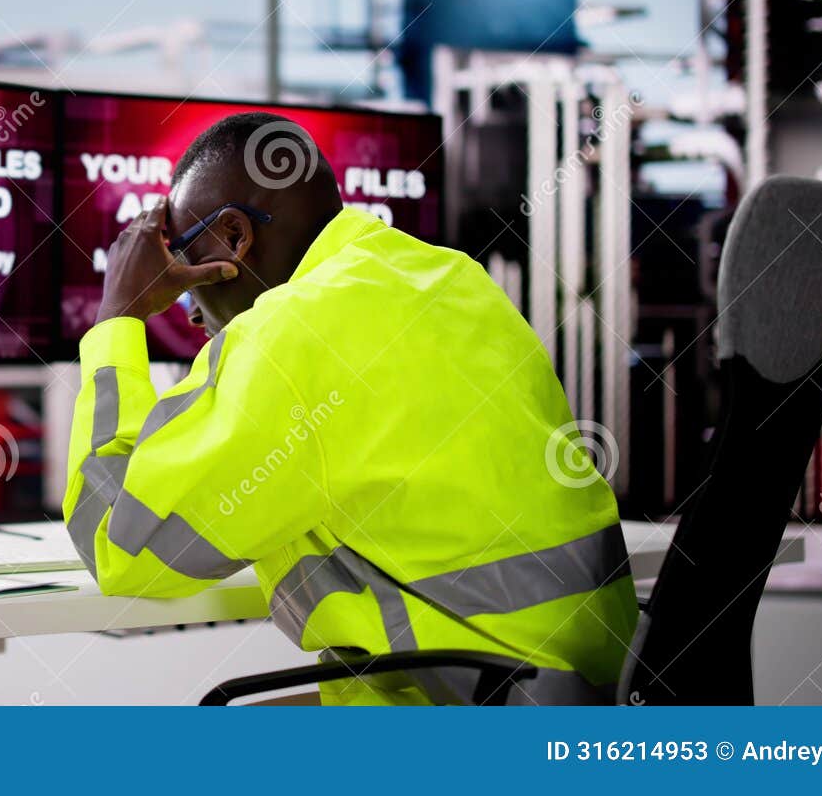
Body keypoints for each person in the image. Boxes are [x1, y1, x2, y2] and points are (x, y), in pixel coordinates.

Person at [63, 111, 637, 705]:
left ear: (234, 237)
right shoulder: (455, 278)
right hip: (593, 695)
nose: (185, 306)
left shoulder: (288, 336)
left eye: (182, 261)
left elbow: (120, 549)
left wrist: (118, 320)